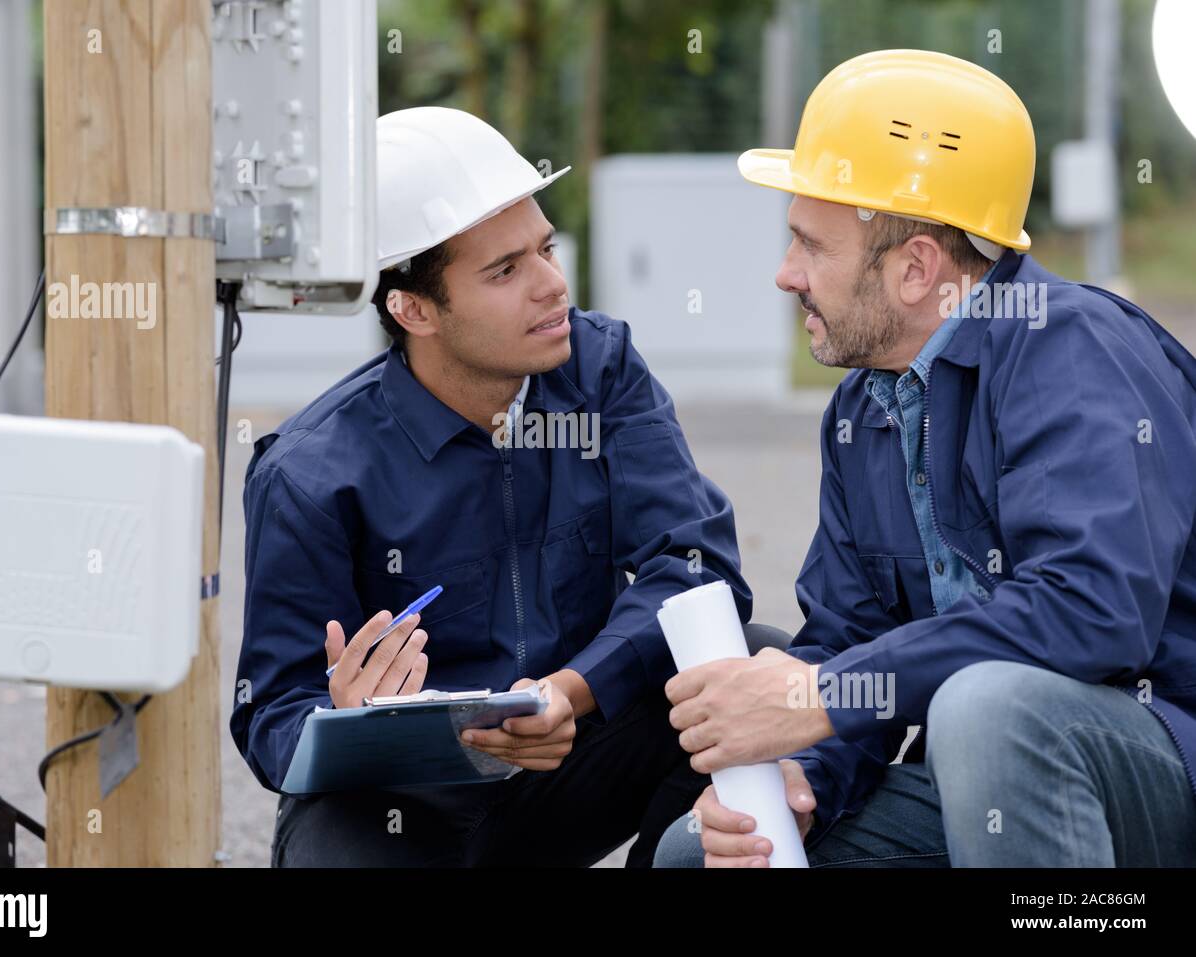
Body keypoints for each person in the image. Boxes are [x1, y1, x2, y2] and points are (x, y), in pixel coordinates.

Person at [655, 49, 1196, 868]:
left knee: (989, 706)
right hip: (982, 781)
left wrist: (814, 697)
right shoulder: (864, 407)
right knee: (705, 850)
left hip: (1158, 770)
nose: (784, 274)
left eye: (809, 244)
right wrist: (801, 781)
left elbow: (1091, 611)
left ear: (915, 269)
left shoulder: (1069, 347)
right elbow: (849, 631)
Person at [230, 106, 752, 867]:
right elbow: (271, 712)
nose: (552, 285)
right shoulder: (312, 474)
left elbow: (698, 570)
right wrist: (342, 720)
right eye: (506, 271)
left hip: (570, 761)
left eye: (544, 248)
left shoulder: (599, 374)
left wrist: (571, 690)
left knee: (740, 675)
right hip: (404, 803)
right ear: (413, 309)